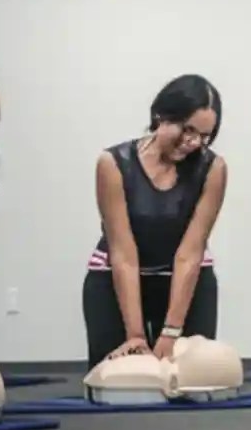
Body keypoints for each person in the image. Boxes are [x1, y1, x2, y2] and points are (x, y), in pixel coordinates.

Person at [82, 74, 227, 369]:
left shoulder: (213, 168)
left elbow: (190, 253)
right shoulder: (113, 164)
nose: (192, 142)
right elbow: (123, 253)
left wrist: (171, 332)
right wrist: (136, 337)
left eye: (203, 136)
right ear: (162, 115)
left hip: (184, 280)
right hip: (116, 277)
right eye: (187, 129)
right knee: (121, 378)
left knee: (189, 378)